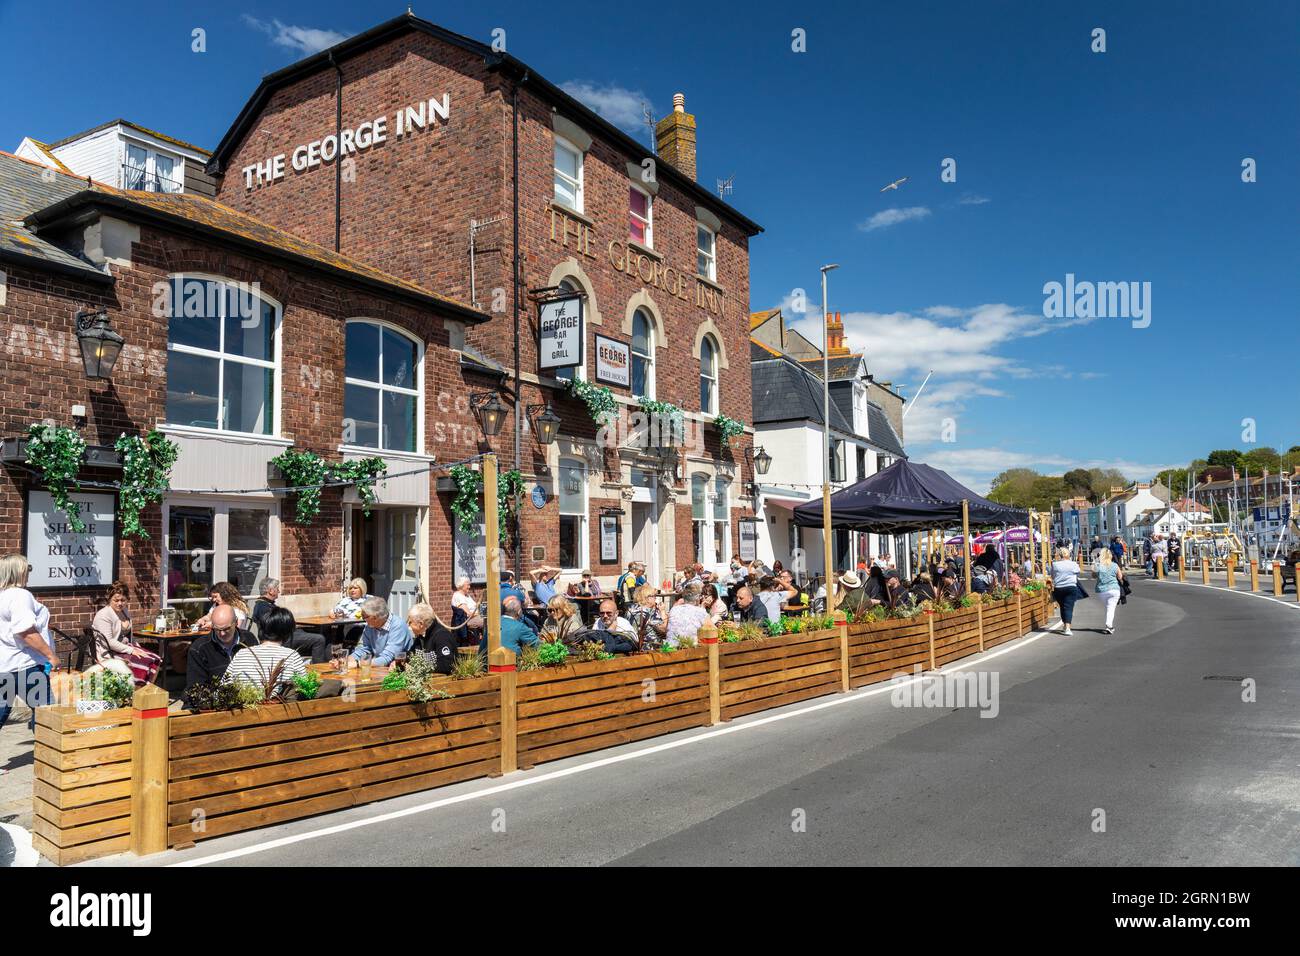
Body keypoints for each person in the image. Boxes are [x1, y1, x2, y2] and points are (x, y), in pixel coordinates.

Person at [0, 554, 57, 742]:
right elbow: (25, 631)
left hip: (4, 666)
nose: (29, 573)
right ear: (19, 571)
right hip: (26, 666)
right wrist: (50, 655)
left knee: (1, 713)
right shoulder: (20, 595)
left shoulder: (2, 596)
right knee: (47, 715)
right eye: (27, 569)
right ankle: (53, 761)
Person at [224, 606, 308, 697]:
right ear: (287, 632)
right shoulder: (292, 656)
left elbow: (223, 689)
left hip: (244, 708)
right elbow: (306, 691)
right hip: (281, 709)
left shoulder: (241, 654)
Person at [90, 581, 161, 684]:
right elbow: (109, 642)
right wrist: (131, 650)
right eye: (116, 600)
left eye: (123, 600)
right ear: (109, 599)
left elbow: (128, 636)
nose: (120, 603)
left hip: (124, 648)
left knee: (156, 658)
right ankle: (137, 690)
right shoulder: (104, 615)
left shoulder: (124, 611)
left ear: (127, 599)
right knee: (145, 661)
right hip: (110, 653)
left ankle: (146, 691)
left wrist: (136, 648)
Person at [251, 577, 328, 663]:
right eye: (277, 589)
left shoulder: (265, 604)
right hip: (281, 638)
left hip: (286, 634)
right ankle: (318, 669)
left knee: (313, 632)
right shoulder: (263, 607)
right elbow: (272, 627)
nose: (279, 591)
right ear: (270, 591)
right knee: (319, 639)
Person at [186, 604, 258, 690]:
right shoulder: (199, 648)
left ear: (236, 622)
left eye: (226, 629)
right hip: (213, 700)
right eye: (217, 629)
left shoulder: (249, 640)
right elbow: (195, 687)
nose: (222, 633)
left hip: (248, 694)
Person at [349, 596, 414, 667]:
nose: (363, 619)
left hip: (399, 669)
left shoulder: (398, 626)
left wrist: (358, 663)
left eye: (364, 616)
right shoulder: (370, 626)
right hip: (381, 668)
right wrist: (348, 660)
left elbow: (387, 658)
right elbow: (364, 649)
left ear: (375, 617)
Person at [406, 602, 456, 673]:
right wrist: (401, 661)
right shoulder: (421, 635)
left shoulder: (442, 636)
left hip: (443, 681)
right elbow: (411, 655)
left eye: (410, 622)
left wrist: (418, 668)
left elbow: (446, 665)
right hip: (427, 680)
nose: (409, 626)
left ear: (421, 624)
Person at [1047, 546, 1084, 636]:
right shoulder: (1073, 564)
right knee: (1068, 607)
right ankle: (1067, 628)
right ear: (1068, 555)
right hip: (1071, 587)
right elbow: (1078, 571)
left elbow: (1052, 575)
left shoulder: (1055, 564)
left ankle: (1065, 624)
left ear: (1060, 555)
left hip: (1059, 588)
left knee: (1063, 606)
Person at [1095, 549, 1126, 635]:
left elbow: (1093, 575)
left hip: (1102, 590)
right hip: (1114, 589)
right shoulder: (1115, 565)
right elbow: (1120, 577)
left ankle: (1109, 625)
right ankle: (1109, 625)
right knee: (1111, 608)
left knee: (1108, 607)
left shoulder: (1098, 566)